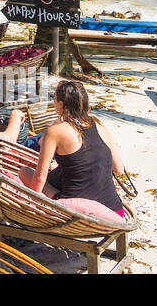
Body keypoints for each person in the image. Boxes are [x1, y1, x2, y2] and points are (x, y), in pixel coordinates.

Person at [18, 80, 127, 216]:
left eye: (55, 99)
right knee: (59, 170)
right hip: (115, 211)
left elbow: (40, 177)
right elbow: (119, 170)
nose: (53, 102)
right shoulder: (99, 125)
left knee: (25, 172)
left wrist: (31, 207)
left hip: (76, 213)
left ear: (61, 104)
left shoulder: (55, 131)